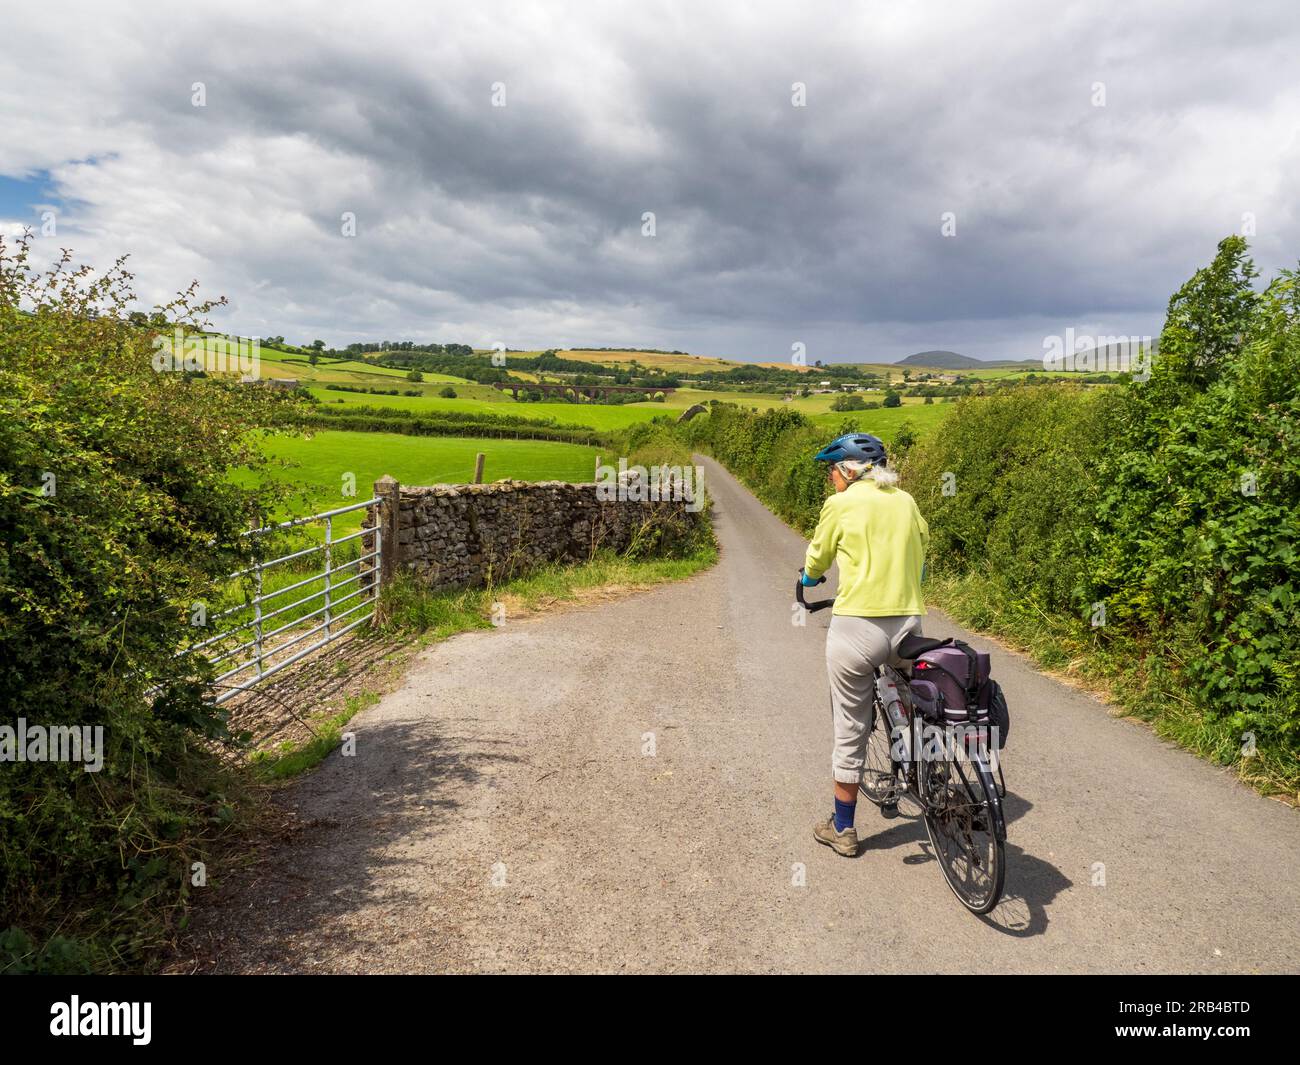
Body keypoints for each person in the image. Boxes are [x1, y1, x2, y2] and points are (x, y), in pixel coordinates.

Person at [801, 432, 929, 857]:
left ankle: (843, 829)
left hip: (858, 628)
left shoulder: (841, 504)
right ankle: (933, 774)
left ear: (849, 470)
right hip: (909, 624)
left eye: (832, 471)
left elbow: (817, 559)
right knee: (920, 702)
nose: (831, 479)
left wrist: (806, 581)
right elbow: (922, 550)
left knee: (850, 725)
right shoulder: (906, 501)